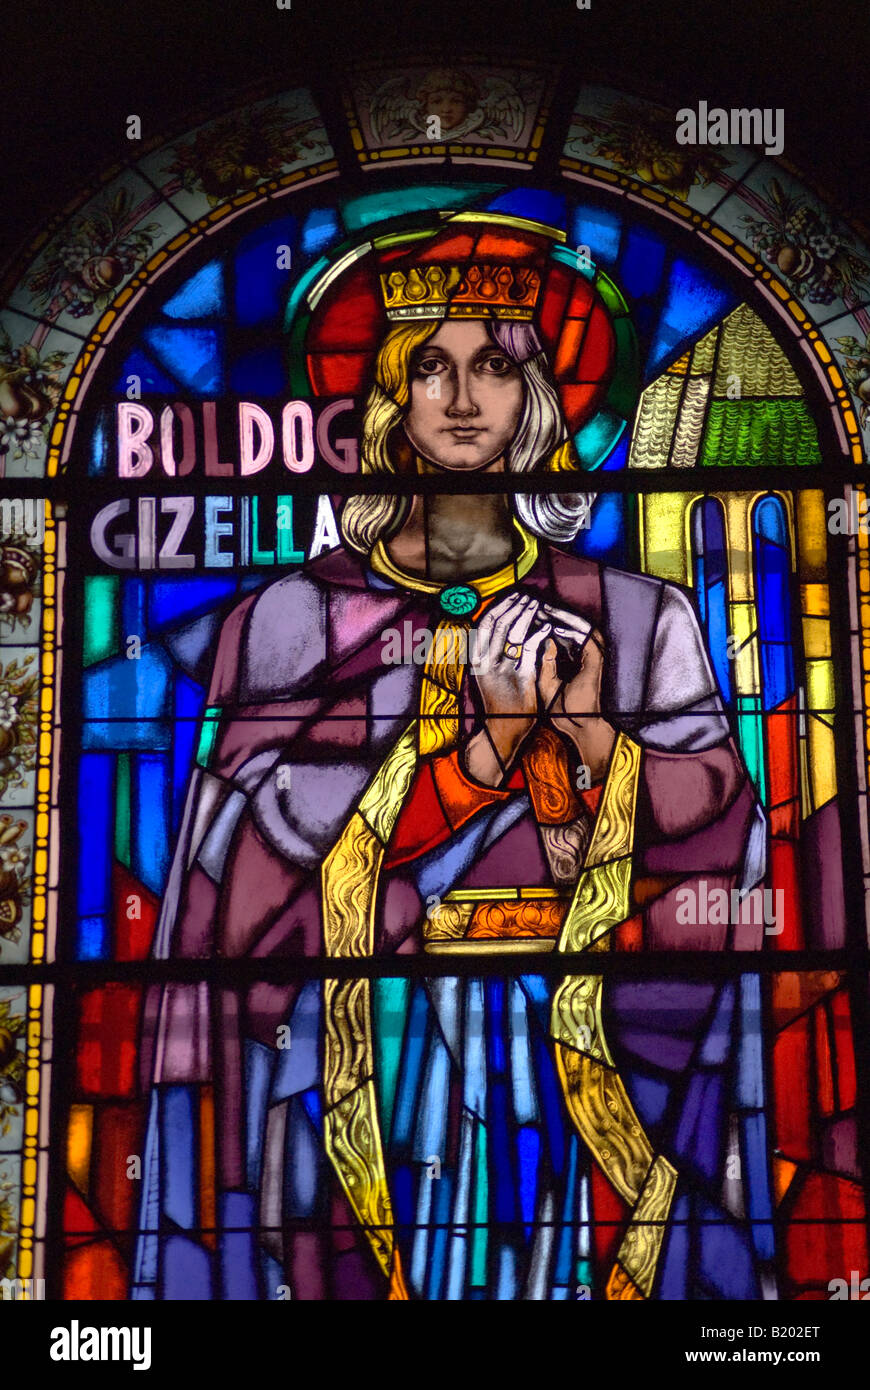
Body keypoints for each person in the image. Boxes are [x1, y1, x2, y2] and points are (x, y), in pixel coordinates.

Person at [133, 216, 774, 1300]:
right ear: (390, 397)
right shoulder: (292, 616)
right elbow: (234, 868)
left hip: (585, 1034)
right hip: (359, 1045)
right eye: (430, 366)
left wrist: (590, 740)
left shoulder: (636, 611)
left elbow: (727, 827)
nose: (463, 396)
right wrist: (474, 758)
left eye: (494, 365)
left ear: (535, 397)